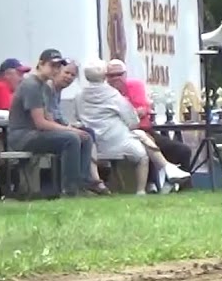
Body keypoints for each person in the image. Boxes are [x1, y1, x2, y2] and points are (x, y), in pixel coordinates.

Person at [76, 59, 189, 195]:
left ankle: (167, 172)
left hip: (93, 143)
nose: (116, 78)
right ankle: (143, 188)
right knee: (142, 152)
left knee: (143, 136)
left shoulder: (79, 96)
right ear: (105, 76)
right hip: (117, 142)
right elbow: (133, 121)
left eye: (119, 74)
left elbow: (78, 117)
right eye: (111, 75)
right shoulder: (113, 95)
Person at [8, 49, 107, 197]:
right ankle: (69, 189)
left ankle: (83, 182)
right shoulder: (31, 85)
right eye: (52, 66)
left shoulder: (44, 86)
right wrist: (70, 131)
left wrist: (69, 128)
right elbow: (40, 123)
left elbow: (49, 118)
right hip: (23, 135)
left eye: (58, 67)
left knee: (84, 136)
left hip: (37, 133)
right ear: (41, 64)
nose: (56, 70)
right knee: (71, 139)